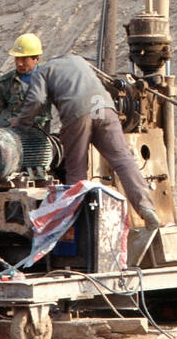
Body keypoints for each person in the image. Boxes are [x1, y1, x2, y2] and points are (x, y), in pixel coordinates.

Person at [12, 52, 160, 230]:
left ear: (37, 60)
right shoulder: (79, 61)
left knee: (76, 170)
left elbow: (36, 100)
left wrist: (20, 124)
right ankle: (146, 208)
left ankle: (76, 224)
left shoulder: (43, 71)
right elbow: (103, 84)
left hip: (77, 113)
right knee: (123, 160)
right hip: (104, 107)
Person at [0, 33, 50, 134]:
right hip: (11, 132)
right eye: (17, 58)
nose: (19, 63)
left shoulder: (47, 79)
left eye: (24, 59)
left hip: (37, 133)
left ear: (36, 59)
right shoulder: (6, 81)